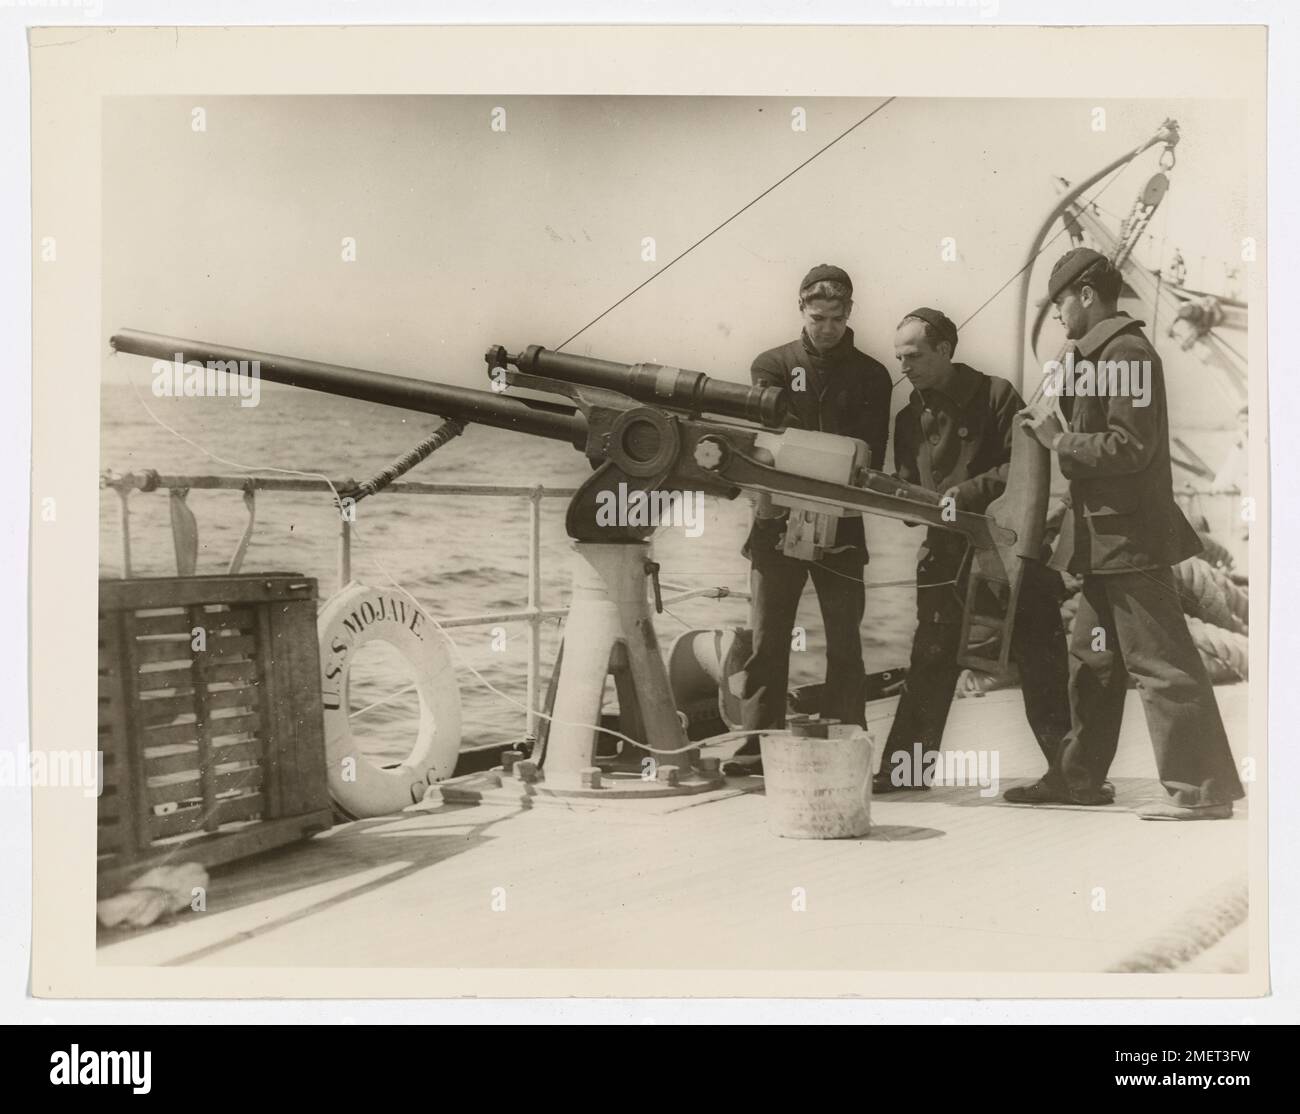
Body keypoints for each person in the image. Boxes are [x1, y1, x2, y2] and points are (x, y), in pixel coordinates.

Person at [1017, 247, 1244, 819]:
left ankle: (1202, 792)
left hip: (1130, 540)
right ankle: (1077, 780)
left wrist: (1056, 441)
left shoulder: (1129, 354)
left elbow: (1130, 447)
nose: (1058, 314)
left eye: (1061, 301)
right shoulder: (1098, 355)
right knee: (1092, 663)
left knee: (1161, 664)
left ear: (1086, 295)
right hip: (1101, 542)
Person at [874, 308, 1071, 793]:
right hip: (944, 558)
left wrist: (964, 493)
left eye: (915, 355)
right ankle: (905, 773)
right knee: (931, 661)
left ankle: (1070, 773)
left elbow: (1024, 466)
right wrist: (900, 500)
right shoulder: (907, 419)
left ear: (945, 349)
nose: (905, 367)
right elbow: (907, 486)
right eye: (899, 357)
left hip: (1010, 552)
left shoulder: (997, 395)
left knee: (1041, 661)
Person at [725, 264, 891, 775]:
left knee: (845, 637)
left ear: (850, 315)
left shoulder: (873, 375)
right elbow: (766, 444)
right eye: (818, 318)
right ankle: (756, 745)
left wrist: (820, 461)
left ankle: (849, 734)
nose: (826, 328)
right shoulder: (770, 365)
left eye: (836, 319)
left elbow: (870, 455)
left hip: (841, 523)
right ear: (802, 310)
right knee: (767, 636)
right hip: (776, 520)